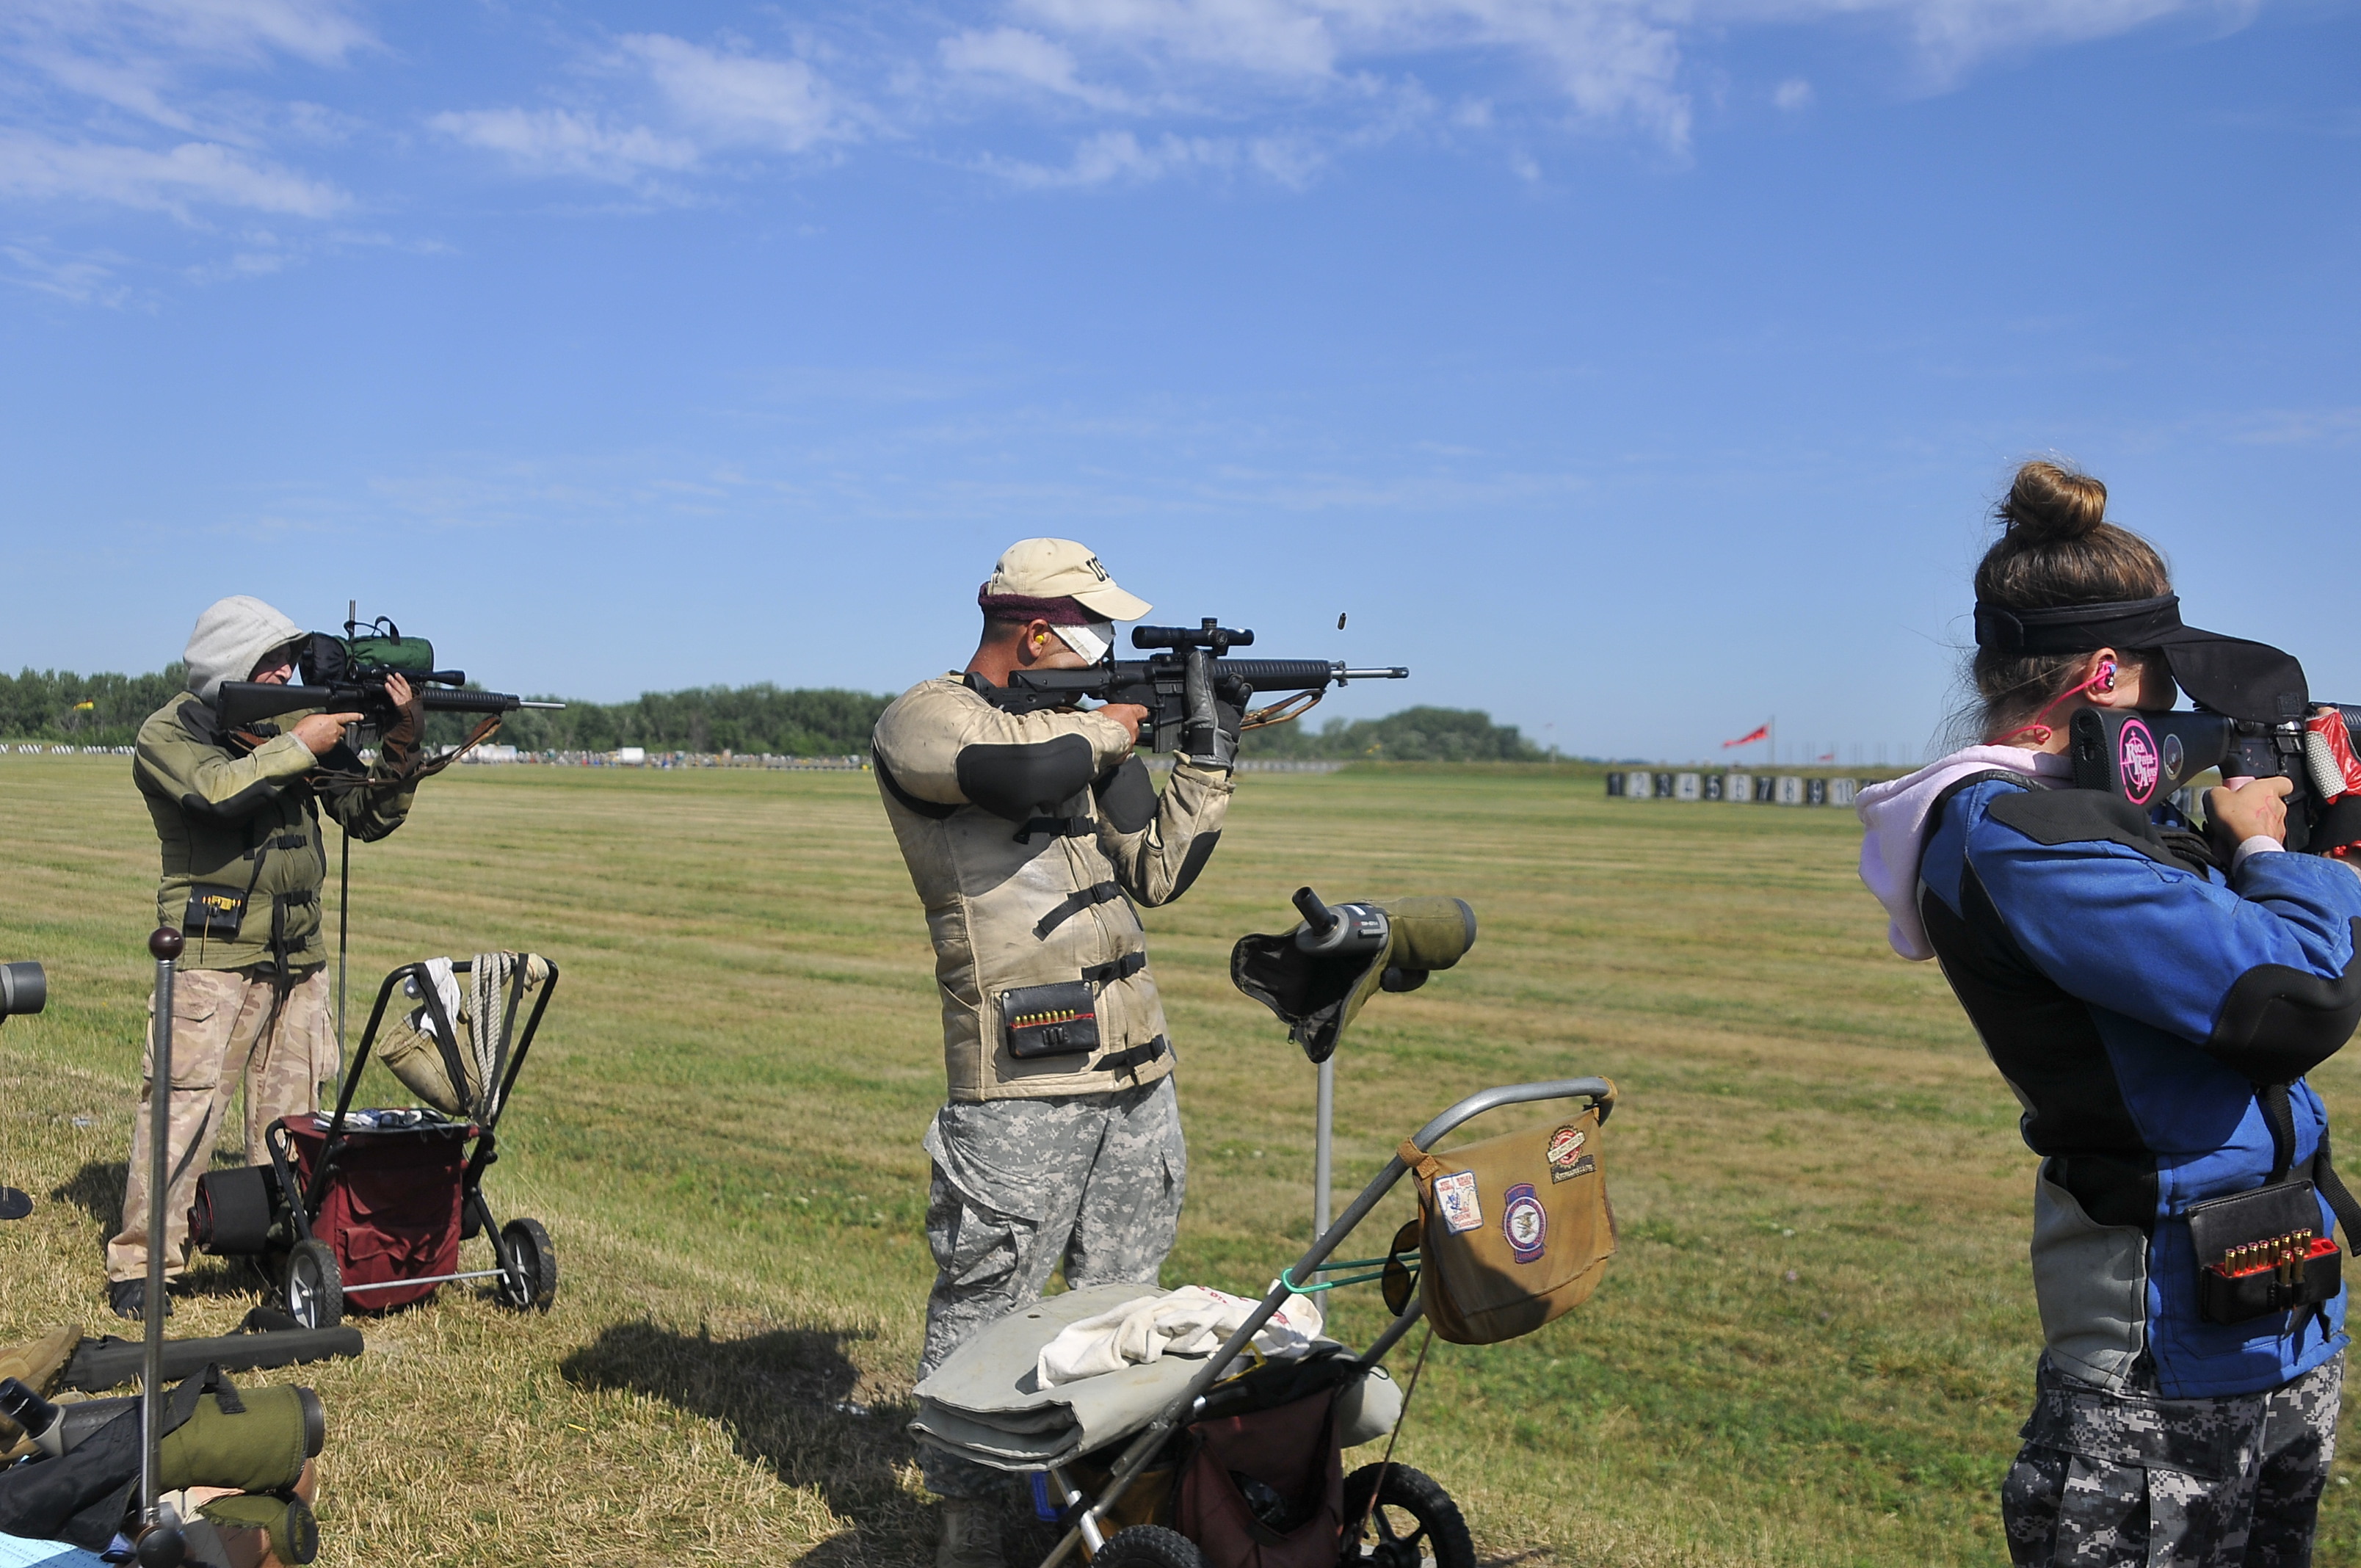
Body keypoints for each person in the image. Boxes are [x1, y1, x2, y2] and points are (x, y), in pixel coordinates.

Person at [1857, 461, 2361, 1566]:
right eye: (2163, 688)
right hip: (2160, 1357)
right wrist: (2282, 851)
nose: (2179, 716)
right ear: (2101, 674)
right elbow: (2295, 999)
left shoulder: (2099, 825)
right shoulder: (2025, 840)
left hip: (2274, 1311)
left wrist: (2297, 843)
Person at [871, 540, 1238, 1568]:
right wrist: (1110, 729)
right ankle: (970, 1528)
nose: (1106, 643)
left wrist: (1210, 751)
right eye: (1094, 624)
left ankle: (1095, 1519)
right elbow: (1020, 770)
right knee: (991, 1300)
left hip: (1136, 1070)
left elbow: (1158, 870)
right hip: (1023, 1072)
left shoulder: (1082, 736)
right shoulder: (930, 719)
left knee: (1124, 1303)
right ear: (1036, 629)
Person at [106, 596, 423, 1321]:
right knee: (184, 1110)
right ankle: (144, 1265)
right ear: (231, 664)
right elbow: (216, 795)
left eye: (289, 659)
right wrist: (303, 743)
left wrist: (402, 742)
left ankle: (284, 1247)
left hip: (298, 955)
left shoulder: (285, 730)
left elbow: (364, 816)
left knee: (293, 1116)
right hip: (210, 954)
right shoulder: (171, 731)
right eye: (272, 661)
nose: (287, 673)